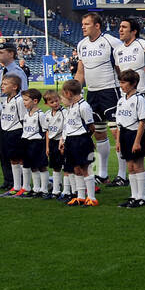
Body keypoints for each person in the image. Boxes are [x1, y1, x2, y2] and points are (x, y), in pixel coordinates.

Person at [74, 12, 122, 183]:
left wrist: (125, 88)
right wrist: (74, 91)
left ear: (97, 26)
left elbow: (120, 67)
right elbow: (81, 72)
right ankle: (102, 174)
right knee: (99, 133)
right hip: (92, 93)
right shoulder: (81, 45)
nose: (83, 26)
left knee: (117, 133)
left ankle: (122, 175)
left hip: (111, 91)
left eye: (86, 23)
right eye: (82, 23)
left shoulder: (111, 42)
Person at [112, 69, 145, 208]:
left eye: (123, 82)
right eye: (120, 82)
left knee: (138, 165)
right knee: (130, 167)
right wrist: (118, 141)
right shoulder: (121, 100)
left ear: (133, 83)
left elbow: (142, 121)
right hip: (125, 135)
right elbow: (119, 123)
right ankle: (133, 196)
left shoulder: (139, 99)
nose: (121, 85)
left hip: (135, 135)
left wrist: (137, 141)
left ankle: (142, 197)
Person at [59, 78, 98, 206]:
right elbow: (68, 125)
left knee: (85, 168)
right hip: (70, 140)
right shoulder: (70, 106)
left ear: (69, 93)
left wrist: (87, 139)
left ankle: (91, 197)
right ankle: (80, 196)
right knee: (76, 168)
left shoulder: (84, 106)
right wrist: (63, 140)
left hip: (81, 139)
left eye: (64, 93)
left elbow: (91, 126)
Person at [0, 72, 27, 196]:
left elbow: (23, 118)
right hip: (7, 132)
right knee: (13, 160)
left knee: (21, 160)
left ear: (14, 87)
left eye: (5, 84)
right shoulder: (5, 100)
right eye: (2, 84)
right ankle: (16, 186)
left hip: (17, 132)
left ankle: (25, 186)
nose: (2, 86)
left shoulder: (19, 100)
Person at [42, 90, 66, 200]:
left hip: (62, 142)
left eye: (56, 101)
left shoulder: (65, 112)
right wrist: (47, 146)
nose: (55, 103)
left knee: (66, 167)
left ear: (60, 99)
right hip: (52, 143)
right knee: (55, 167)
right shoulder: (47, 115)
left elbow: (66, 128)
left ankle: (67, 190)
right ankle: (56, 190)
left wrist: (63, 141)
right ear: (47, 104)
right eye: (52, 102)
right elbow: (47, 131)